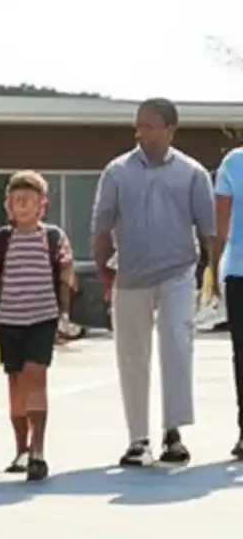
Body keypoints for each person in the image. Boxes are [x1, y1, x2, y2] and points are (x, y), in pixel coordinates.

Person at [93, 98, 216, 467]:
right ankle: (138, 439)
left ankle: (173, 433)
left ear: (169, 129)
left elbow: (208, 231)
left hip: (178, 274)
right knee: (132, 356)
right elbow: (101, 226)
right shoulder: (116, 172)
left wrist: (213, 276)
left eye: (147, 126)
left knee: (176, 347)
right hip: (129, 276)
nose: (139, 132)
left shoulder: (192, 174)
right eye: (138, 126)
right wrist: (103, 273)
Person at [0, 170, 74, 481]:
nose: (21, 204)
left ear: (41, 205)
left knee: (36, 377)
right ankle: (20, 447)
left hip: (42, 318)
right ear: (8, 204)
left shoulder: (53, 237)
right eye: (16, 199)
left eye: (28, 200)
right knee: (16, 383)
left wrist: (64, 316)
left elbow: (66, 277)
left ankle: (38, 451)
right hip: (9, 320)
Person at [213, 146, 243, 460]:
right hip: (239, 271)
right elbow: (219, 229)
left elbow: (219, 229)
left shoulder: (234, 162)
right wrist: (212, 266)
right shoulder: (233, 163)